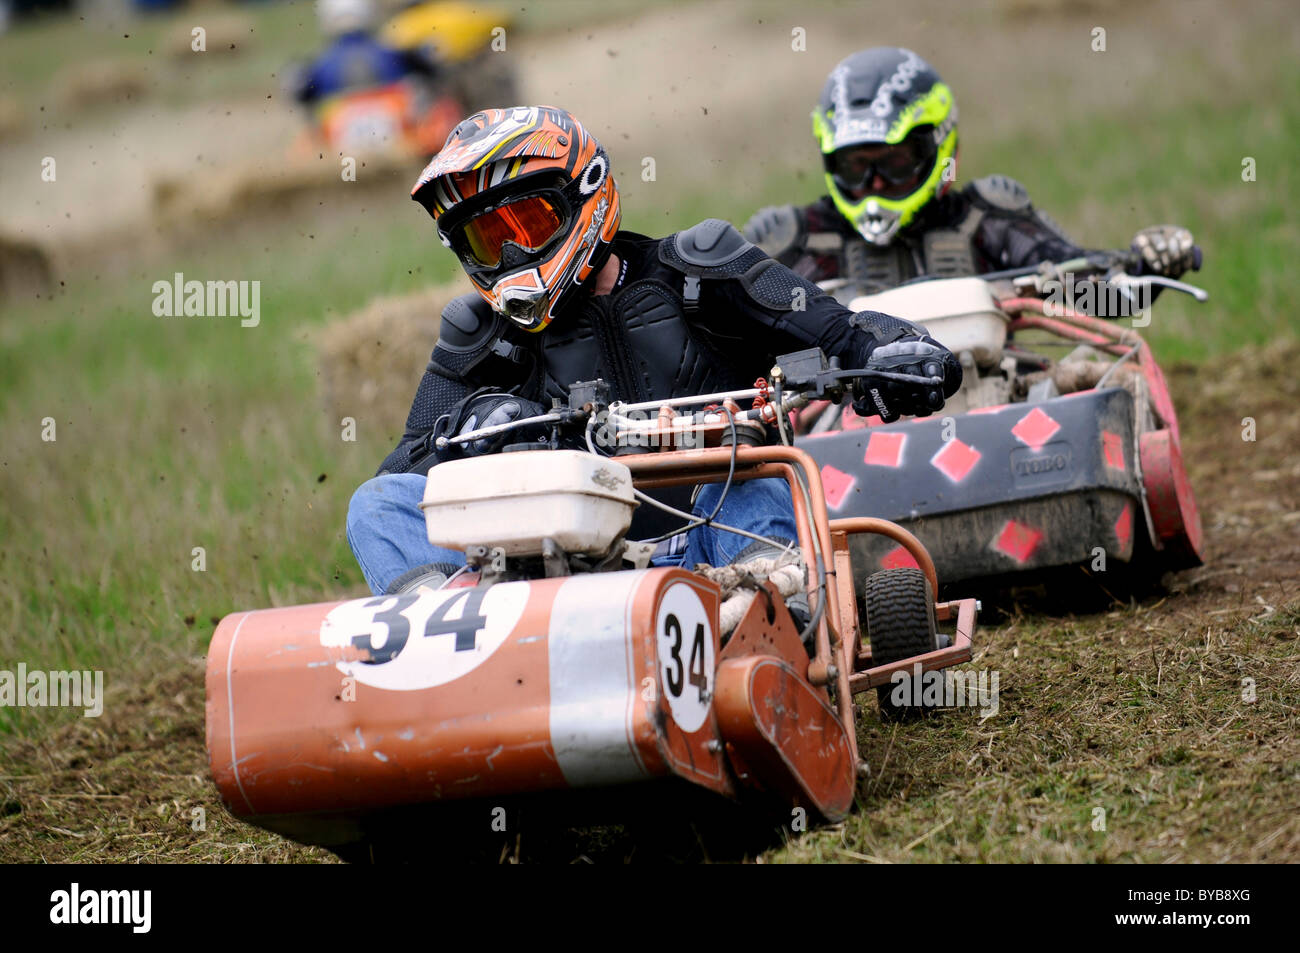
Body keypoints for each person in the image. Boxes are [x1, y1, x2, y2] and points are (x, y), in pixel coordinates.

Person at [345, 105, 962, 596]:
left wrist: (899, 353)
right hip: (558, 565)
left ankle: (769, 619)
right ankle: (440, 646)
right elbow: (404, 469)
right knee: (375, 506)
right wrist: (474, 426)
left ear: (586, 192)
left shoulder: (702, 268)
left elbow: (845, 332)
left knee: (751, 476)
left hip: (712, 542)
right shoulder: (484, 333)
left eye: (526, 225)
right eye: (486, 241)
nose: (510, 257)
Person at [742, 47, 1198, 303]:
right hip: (841, 436)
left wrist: (1144, 269)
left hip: (999, 416)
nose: (875, 184)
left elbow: (1093, 293)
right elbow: (720, 346)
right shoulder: (791, 243)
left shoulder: (989, 218)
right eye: (856, 167)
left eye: (894, 161)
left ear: (941, 147)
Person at [292, 0, 441, 106]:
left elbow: (301, 93)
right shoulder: (390, 53)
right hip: (400, 135)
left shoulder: (320, 66)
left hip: (337, 143)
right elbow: (428, 64)